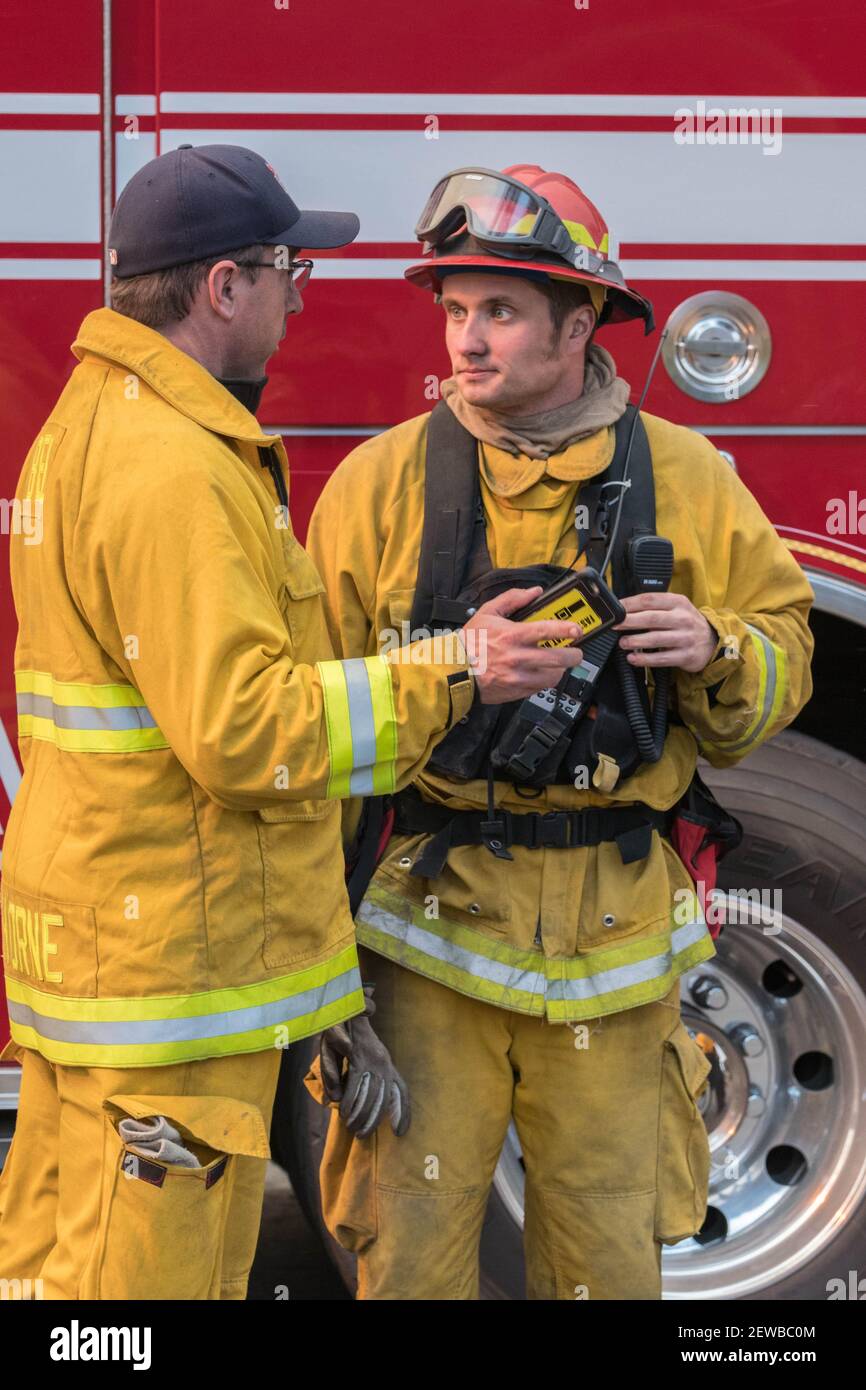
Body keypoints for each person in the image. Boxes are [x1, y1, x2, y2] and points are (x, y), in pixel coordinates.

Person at [0, 146, 584, 1301]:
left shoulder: (97, 424)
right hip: (169, 996)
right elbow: (250, 734)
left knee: (68, 1288)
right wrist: (456, 670)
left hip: (117, 972)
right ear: (224, 287)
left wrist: (322, 998)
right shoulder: (173, 465)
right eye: (289, 270)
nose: (298, 295)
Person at [305, 163, 815, 1299]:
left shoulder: (686, 478)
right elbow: (307, 721)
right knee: (413, 1259)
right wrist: (318, 976)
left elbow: (781, 660)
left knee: (605, 1265)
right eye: (452, 310)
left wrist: (720, 647)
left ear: (577, 325)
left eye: (498, 310)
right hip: (427, 943)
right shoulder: (376, 486)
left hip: (617, 947)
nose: (466, 339)